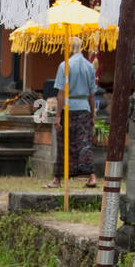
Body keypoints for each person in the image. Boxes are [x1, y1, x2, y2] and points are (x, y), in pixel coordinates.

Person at [46, 37, 98, 190]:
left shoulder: (64, 66)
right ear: (81, 48)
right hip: (84, 107)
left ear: (69, 48)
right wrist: (93, 115)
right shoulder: (90, 67)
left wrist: (58, 116)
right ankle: (92, 176)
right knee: (84, 142)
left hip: (69, 107)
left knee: (64, 143)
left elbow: (61, 94)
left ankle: (57, 179)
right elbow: (92, 94)